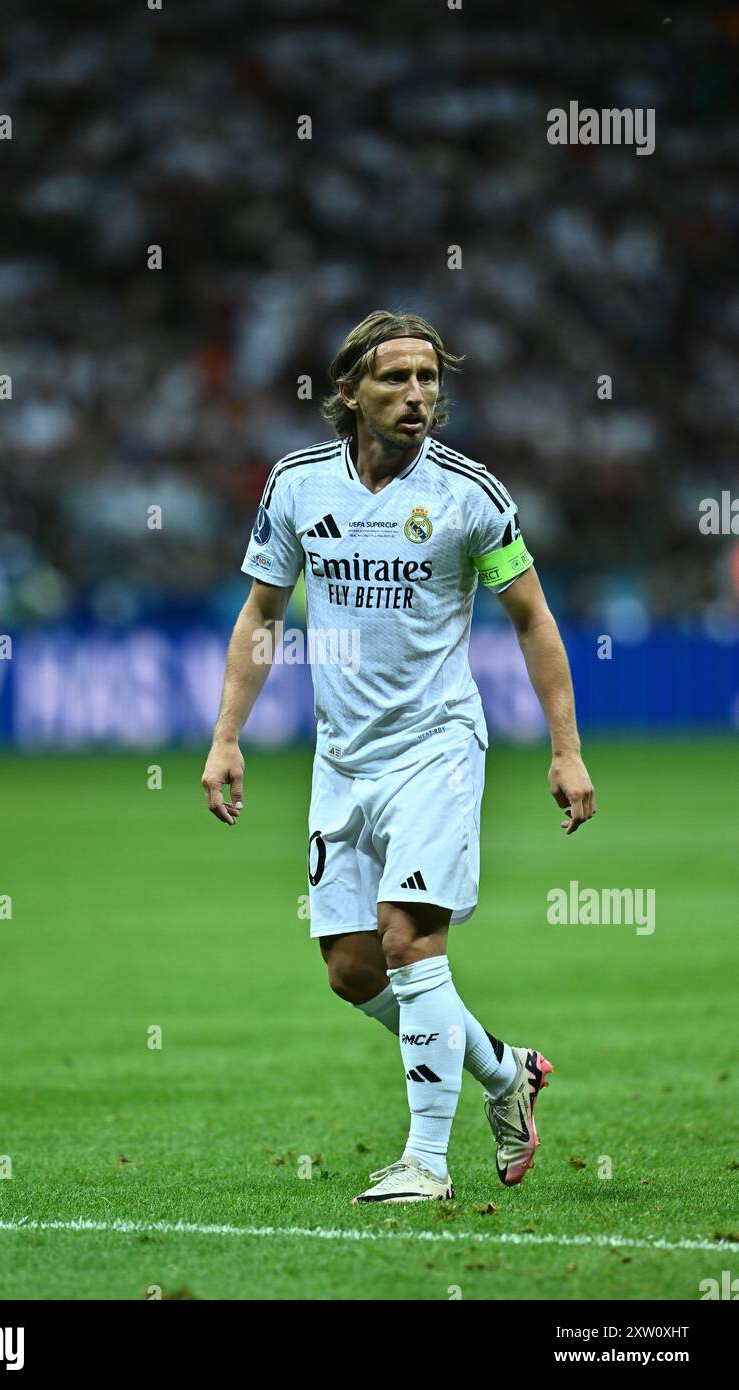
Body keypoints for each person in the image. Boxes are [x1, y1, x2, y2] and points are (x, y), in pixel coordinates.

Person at [201, 310, 596, 1203]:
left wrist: (565, 751)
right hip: (342, 759)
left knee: (409, 937)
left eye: (428, 379)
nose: (417, 395)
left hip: (435, 748)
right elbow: (263, 614)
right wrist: (226, 736)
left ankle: (426, 1162)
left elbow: (533, 619)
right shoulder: (299, 486)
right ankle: (505, 1073)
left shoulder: (469, 495)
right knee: (350, 967)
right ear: (348, 394)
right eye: (394, 380)